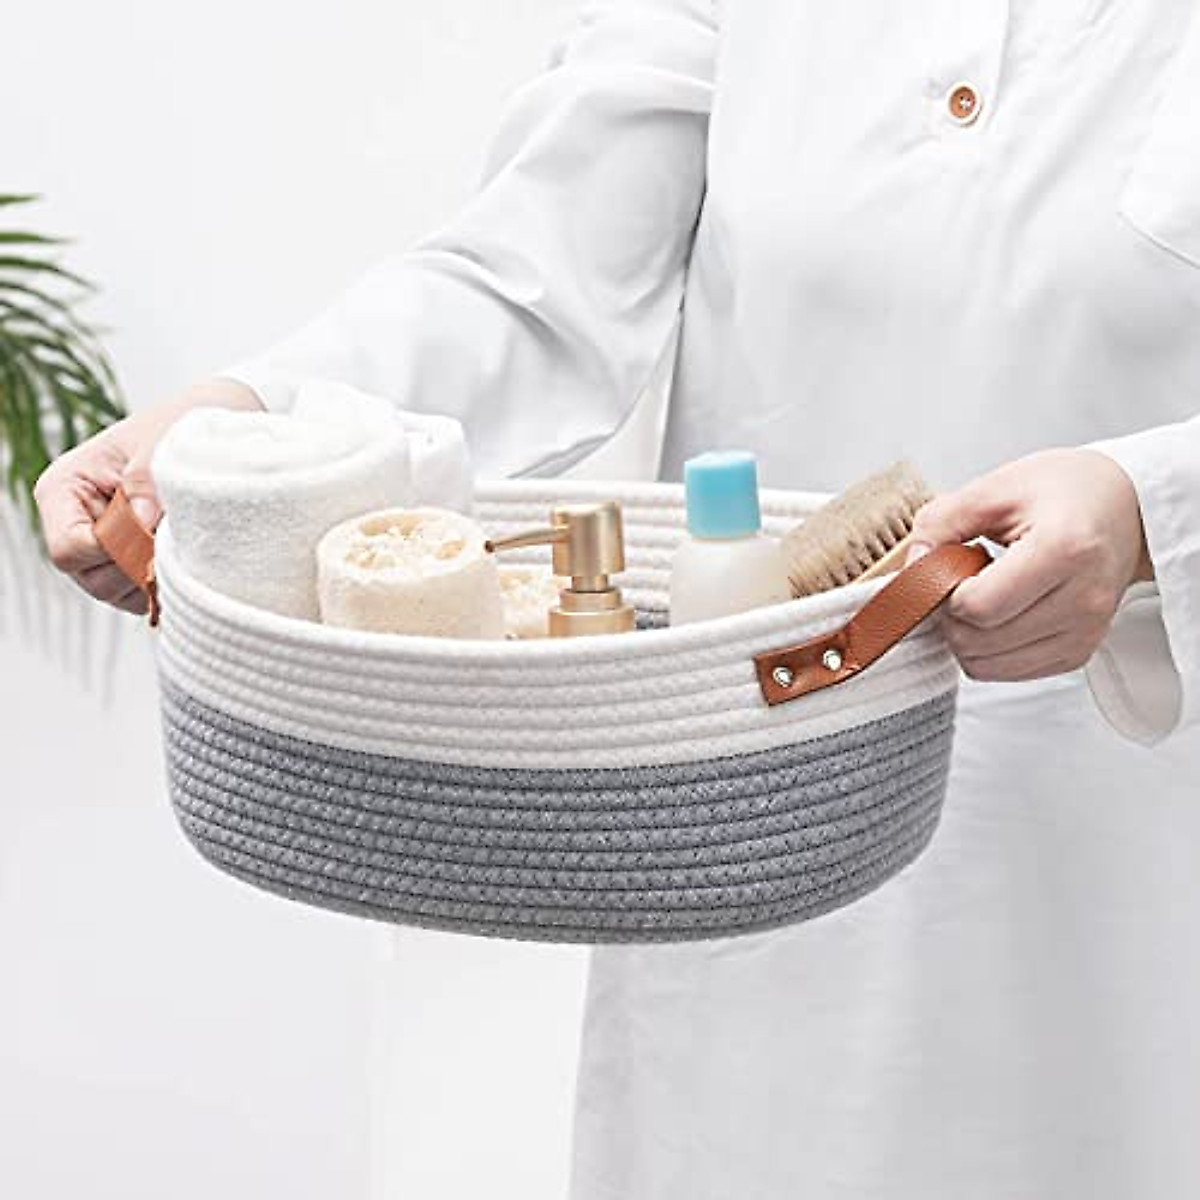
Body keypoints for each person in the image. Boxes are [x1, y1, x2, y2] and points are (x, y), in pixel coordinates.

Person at [34, 1, 1200, 1196]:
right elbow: (535, 282)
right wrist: (252, 428)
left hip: (1127, 854)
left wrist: (1152, 510)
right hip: (750, 833)